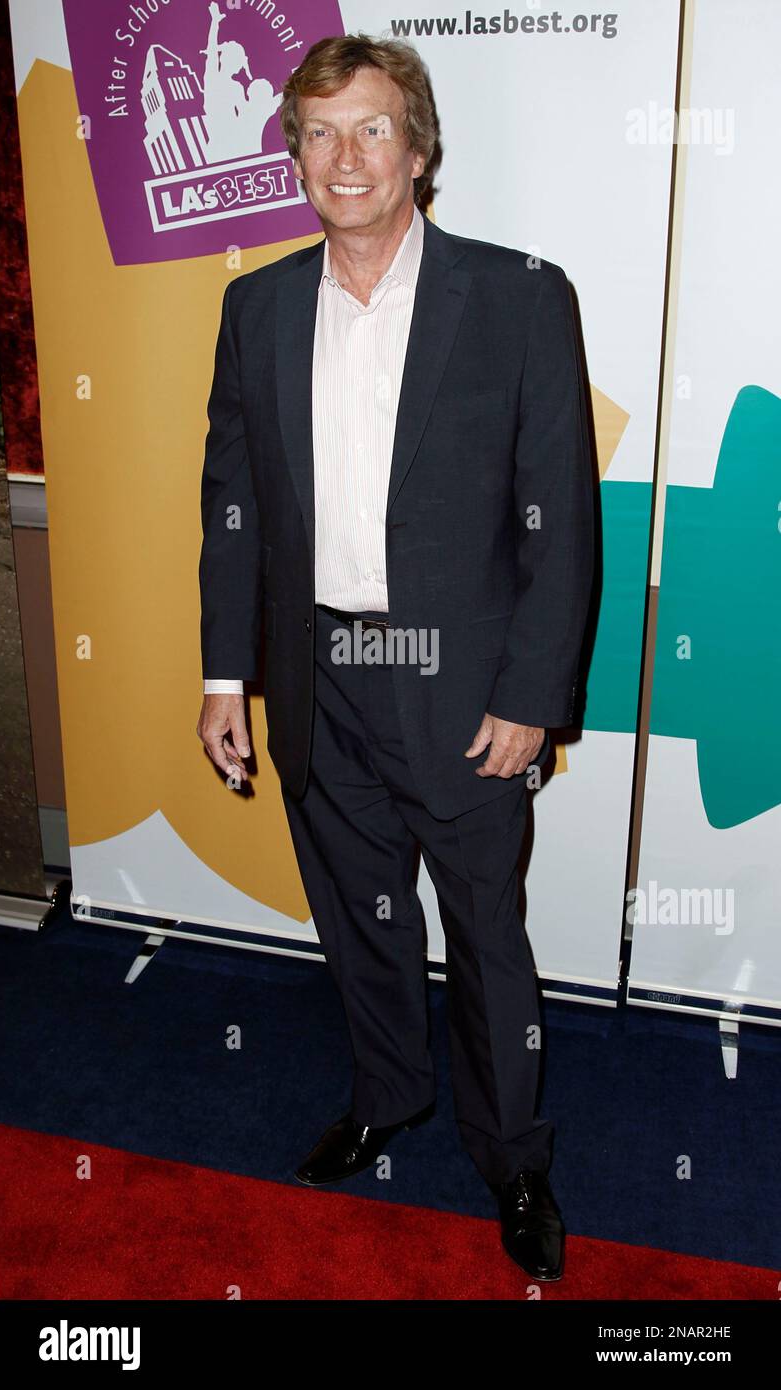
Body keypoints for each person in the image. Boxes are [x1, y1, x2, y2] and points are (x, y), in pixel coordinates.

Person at [197, 32, 595, 1283]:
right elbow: (233, 506)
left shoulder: (522, 296)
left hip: (467, 692)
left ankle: (515, 1155)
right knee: (360, 925)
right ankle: (388, 1097)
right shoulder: (255, 305)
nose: (345, 156)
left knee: (486, 936)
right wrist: (225, 675)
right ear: (297, 159)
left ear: (419, 150)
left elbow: (563, 516)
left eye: (372, 128)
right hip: (319, 680)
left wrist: (533, 696)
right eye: (319, 132)